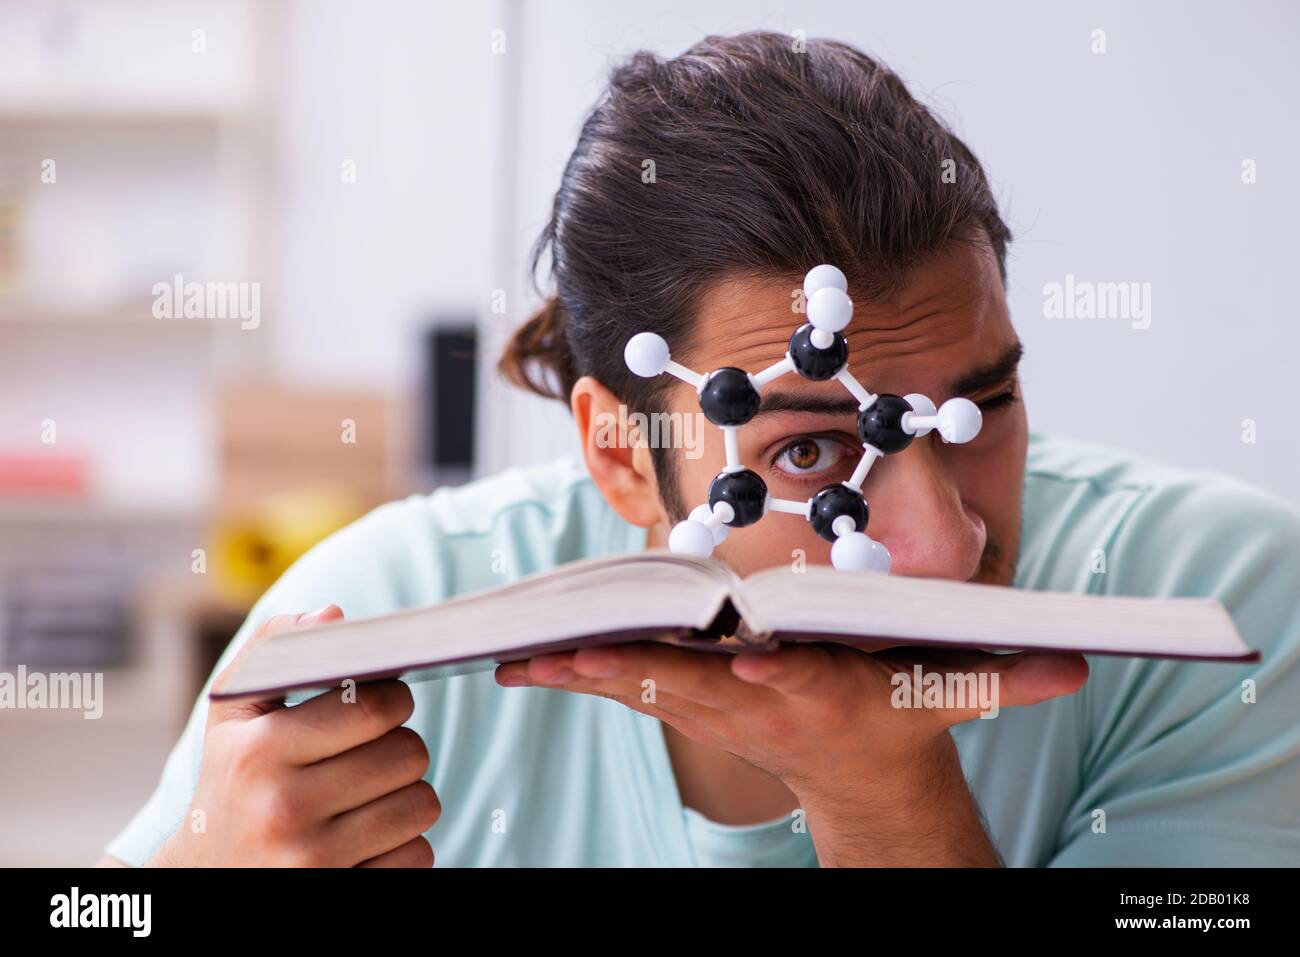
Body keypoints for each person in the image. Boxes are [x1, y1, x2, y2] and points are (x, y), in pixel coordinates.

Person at [100, 32, 1300, 868]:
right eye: (811, 457)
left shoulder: (1218, 605)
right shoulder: (393, 614)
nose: (946, 543)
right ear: (620, 455)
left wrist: (878, 793)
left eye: (976, 409)